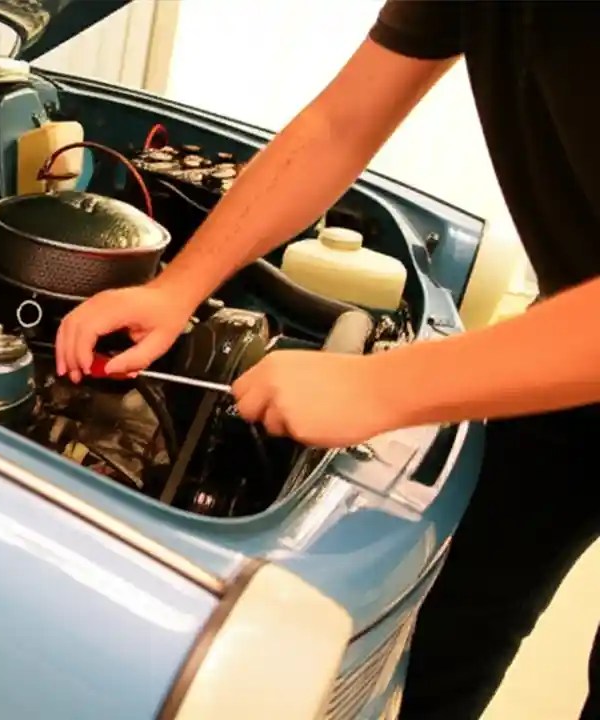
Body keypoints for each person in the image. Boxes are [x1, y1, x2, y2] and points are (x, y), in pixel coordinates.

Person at [54, 2, 600, 718]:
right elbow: (338, 124)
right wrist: (177, 287)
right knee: (457, 616)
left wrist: (384, 386)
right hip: (571, 331)